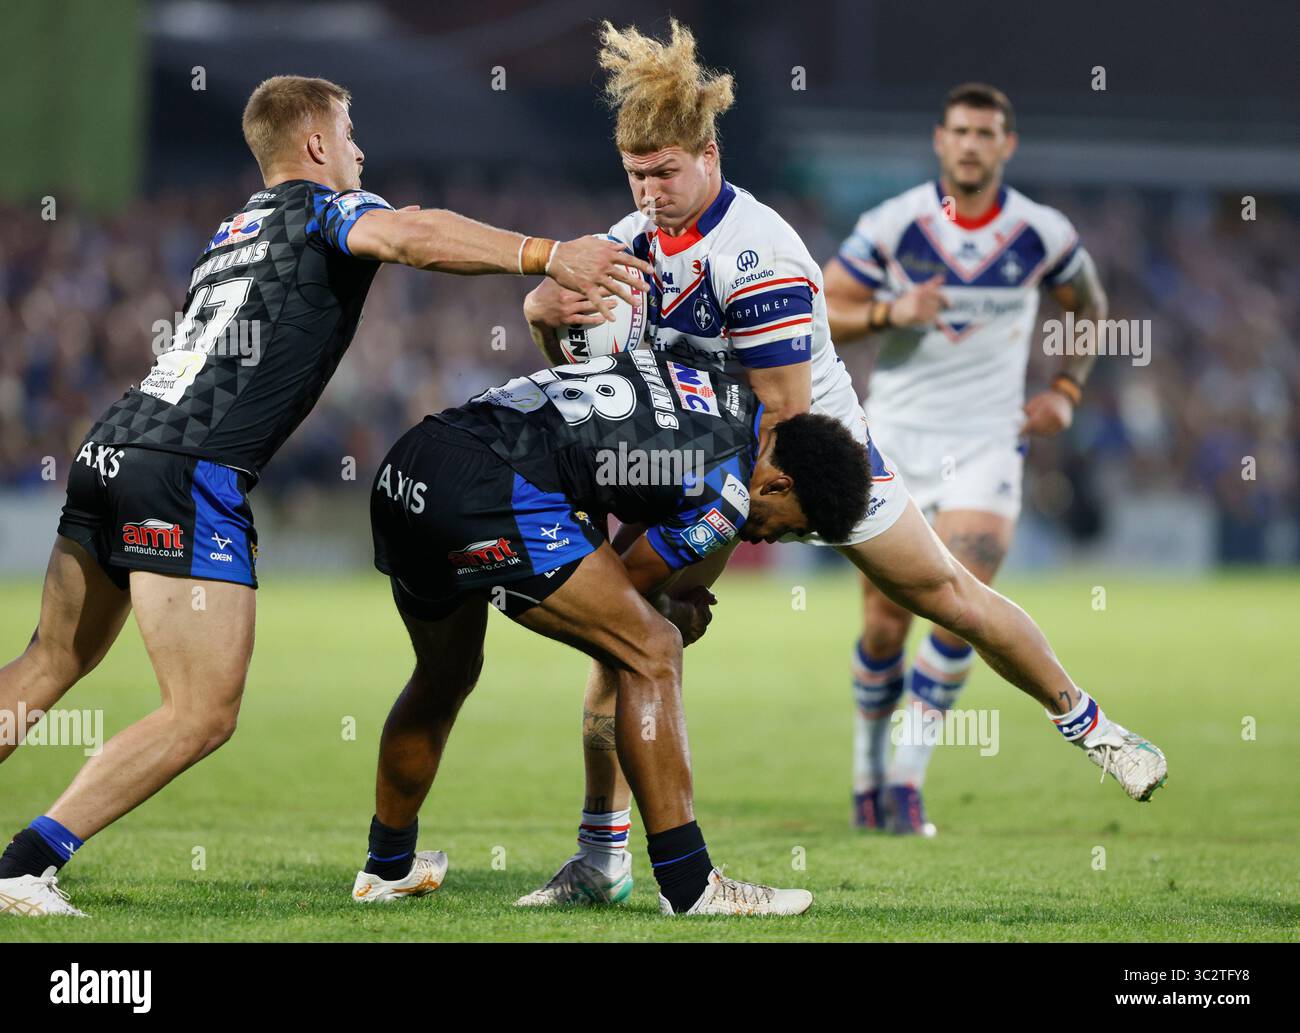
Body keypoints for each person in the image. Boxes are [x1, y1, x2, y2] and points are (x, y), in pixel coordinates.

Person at [515, 21, 1166, 907]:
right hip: (702, 468)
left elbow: (782, 422)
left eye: (665, 171)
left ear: (709, 154)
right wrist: (549, 316)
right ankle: (602, 855)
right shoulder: (628, 239)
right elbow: (596, 365)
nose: (650, 191)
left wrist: (704, 544)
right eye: (636, 174)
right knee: (624, 637)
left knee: (950, 596)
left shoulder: (758, 252)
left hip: (810, 467)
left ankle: (1095, 729)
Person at [0, 74, 651, 918]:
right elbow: (413, 235)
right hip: (188, 469)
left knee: (51, 660)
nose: (360, 150)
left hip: (111, 445)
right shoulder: (323, 207)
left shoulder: (232, 229)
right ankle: (25, 863)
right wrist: (543, 252)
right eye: (349, 134)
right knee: (200, 712)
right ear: (313, 145)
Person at [355, 350, 870, 916]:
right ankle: (691, 886)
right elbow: (628, 588)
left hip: (412, 465)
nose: (763, 539)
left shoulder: (714, 390)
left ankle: (387, 867)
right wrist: (674, 610)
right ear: (779, 483)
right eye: (784, 529)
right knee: (653, 650)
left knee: (444, 675)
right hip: (495, 490)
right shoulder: (729, 490)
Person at [824, 83, 1113, 835]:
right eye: (960, 131)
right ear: (940, 140)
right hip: (895, 436)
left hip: (988, 440)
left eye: (986, 133)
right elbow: (822, 309)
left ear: (1007, 145)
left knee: (962, 605)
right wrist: (891, 311)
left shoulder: (1039, 232)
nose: (972, 144)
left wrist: (1066, 390)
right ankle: (864, 766)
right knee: (886, 624)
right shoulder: (894, 226)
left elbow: (1090, 305)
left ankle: (907, 783)